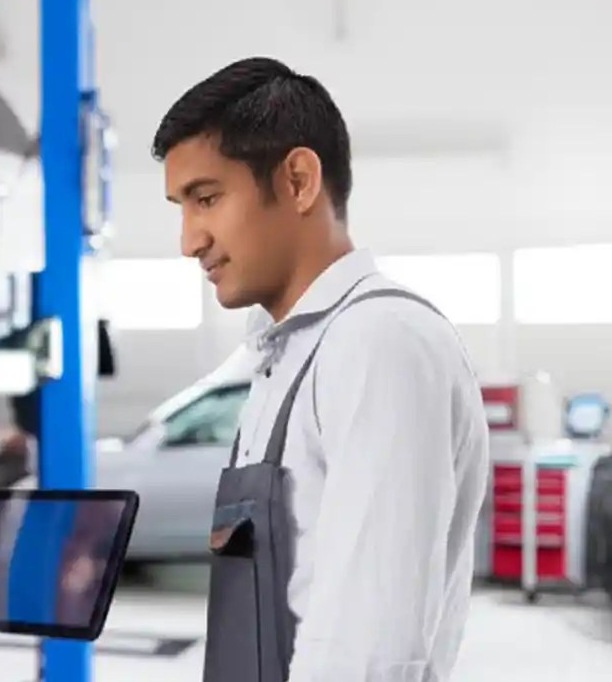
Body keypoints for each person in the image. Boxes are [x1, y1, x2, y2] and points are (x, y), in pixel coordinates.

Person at [151, 57, 489, 682]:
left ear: (299, 181)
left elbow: (368, 651)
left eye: (207, 199)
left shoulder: (378, 342)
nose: (189, 240)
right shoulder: (288, 354)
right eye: (181, 207)